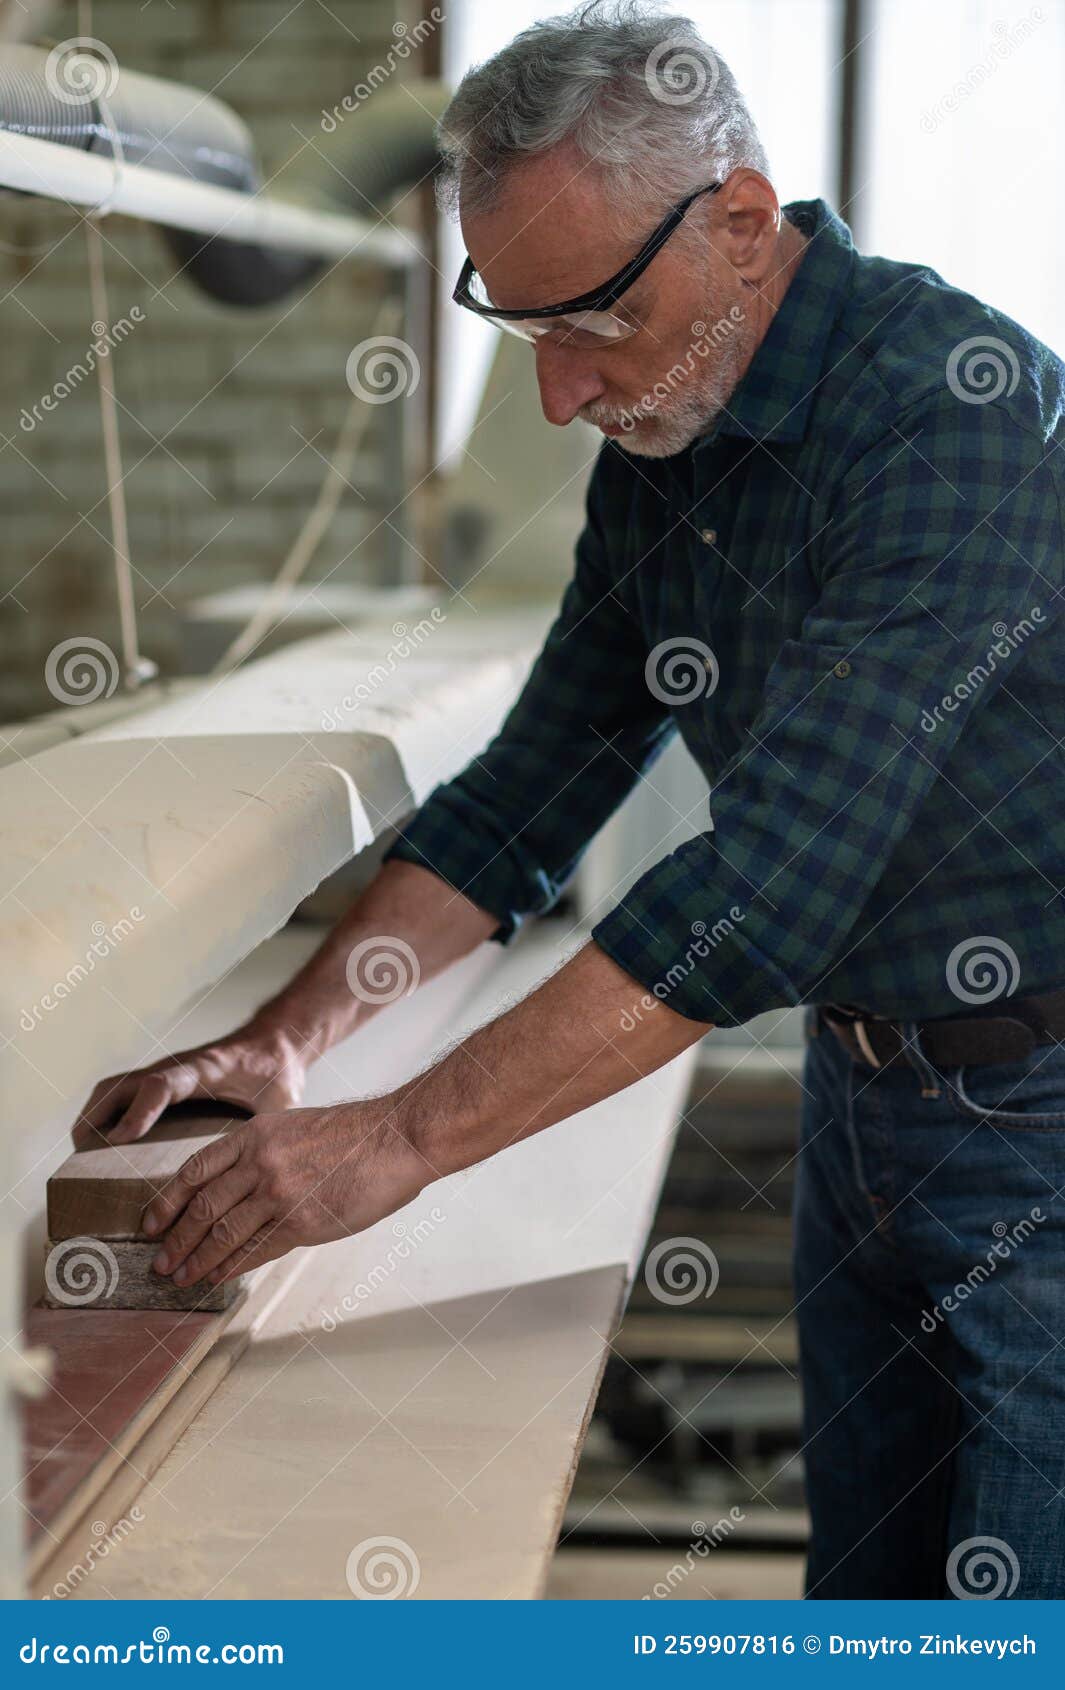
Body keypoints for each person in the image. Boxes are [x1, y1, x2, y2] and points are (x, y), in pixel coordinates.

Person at [80, 4, 1065, 1598]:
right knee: (872, 1600)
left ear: (742, 222)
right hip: (867, 1096)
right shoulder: (665, 432)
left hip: (1041, 1120)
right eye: (523, 329)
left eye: (594, 319)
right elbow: (539, 780)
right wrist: (292, 1037)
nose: (559, 396)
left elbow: (768, 885)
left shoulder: (953, 423)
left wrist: (397, 1136)